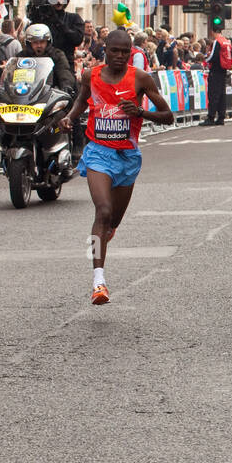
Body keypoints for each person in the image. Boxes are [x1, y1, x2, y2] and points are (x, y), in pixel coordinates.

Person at [60, 29, 174, 304]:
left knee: (112, 223)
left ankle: (102, 238)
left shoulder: (141, 79)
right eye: (115, 51)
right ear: (105, 50)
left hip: (127, 157)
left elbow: (168, 116)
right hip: (99, 152)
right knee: (103, 210)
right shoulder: (91, 75)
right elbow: (81, 100)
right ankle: (99, 282)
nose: (121, 56)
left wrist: (141, 112)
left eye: (126, 52)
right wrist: (70, 117)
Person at [19, 24, 77, 95]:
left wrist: (66, 86)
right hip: (25, 93)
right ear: (29, 43)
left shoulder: (57, 55)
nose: (39, 45)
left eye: (42, 42)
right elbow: (13, 74)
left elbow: (64, 71)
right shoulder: (21, 56)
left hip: (50, 94)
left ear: (48, 42)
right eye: (35, 42)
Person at [201, 25, 232, 125]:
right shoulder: (227, 41)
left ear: (213, 32)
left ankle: (211, 117)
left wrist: (204, 60)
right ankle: (221, 117)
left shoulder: (217, 41)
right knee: (221, 95)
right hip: (223, 70)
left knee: (213, 94)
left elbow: (213, 56)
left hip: (215, 70)